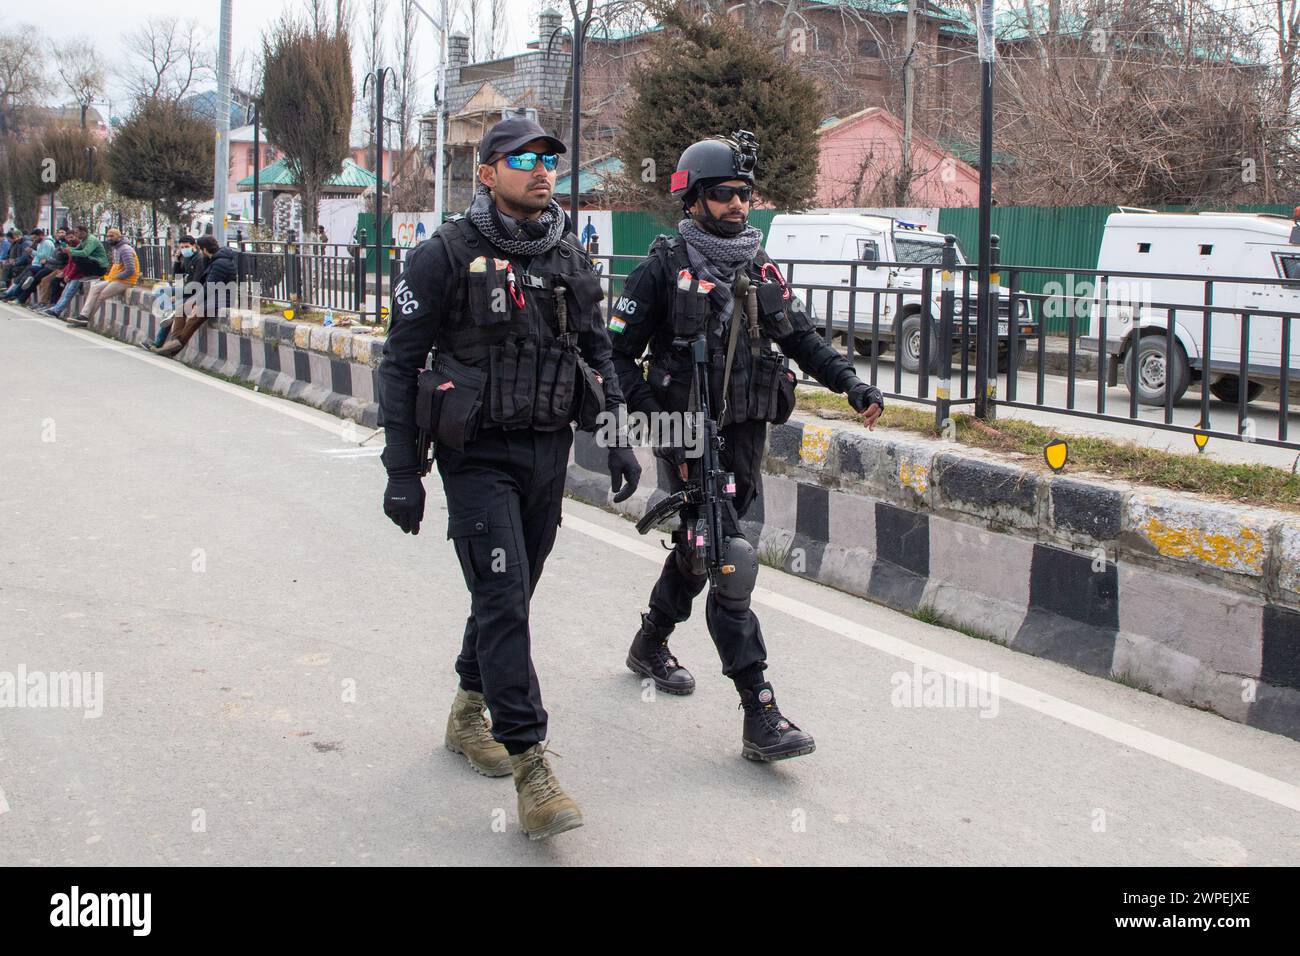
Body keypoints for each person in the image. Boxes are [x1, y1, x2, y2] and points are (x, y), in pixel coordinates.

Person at [377, 116, 640, 841]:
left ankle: (467, 711)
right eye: (522, 158)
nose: (542, 168)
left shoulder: (568, 256)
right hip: (477, 456)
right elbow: (400, 364)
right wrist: (404, 471)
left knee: (512, 591)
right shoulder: (444, 255)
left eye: (550, 158)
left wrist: (616, 439)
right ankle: (532, 766)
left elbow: (598, 353)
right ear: (486, 172)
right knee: (502, 596)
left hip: (547, 452)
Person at [608, 132, 884, 761]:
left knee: (700, 551)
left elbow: (801, 336)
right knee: (731, 558)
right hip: (687, 435)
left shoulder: (759, 267)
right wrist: (656, 420)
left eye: (745, 194)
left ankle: (649, 642)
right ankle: (760, 713)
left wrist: (852, 384)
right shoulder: (663, 266)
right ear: (694, 198)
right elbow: (614, 355)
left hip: (746, 437)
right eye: (725, 194)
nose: (739, 205)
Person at [154, 236, 235, 357]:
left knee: (193, 319)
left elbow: (209, 286)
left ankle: (174, 348)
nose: (200, 252)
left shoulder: (220, 263)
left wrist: (197, 303)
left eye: (200, 249)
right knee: (181, 309)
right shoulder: (212, 260)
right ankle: (174, 342)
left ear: (204, 249)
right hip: (210, 298)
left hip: (220, 299)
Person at [67, 228, 138, 328]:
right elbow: (117, 266)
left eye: (112, 236)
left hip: (125, 280)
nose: (109, 238)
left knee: (102, 295)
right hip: (115, 279)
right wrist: (112, 277)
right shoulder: (117, 248)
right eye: (108, 236)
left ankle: (86, 320)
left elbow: (130, 270)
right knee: (95, 288)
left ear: (119, 237)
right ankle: (83, 315)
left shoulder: (125, 249)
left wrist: (116, 277)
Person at [141, 235, 202, 352]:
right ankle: (168, 312)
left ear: (194, 246)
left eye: (187, 247)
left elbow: (196, 285)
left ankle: (158, 343)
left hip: (193, 292)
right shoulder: (186, 258)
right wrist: (177, 261)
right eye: (182, 247)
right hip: (185, 288)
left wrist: (178, 296)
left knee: (174, 309)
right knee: (159, 290)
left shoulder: (199, 259)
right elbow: (177, 277)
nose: (184, 249)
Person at [42, 226, 105, 320]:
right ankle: (55, 308)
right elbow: (70, 263)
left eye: (74, 235)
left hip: (83, 273)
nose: (71, 238)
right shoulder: (76, 245)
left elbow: (79, 261)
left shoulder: (84, 243)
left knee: (69, 293)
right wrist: (66, 273)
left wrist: (69, 274)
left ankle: (56, 311)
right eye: (69, 237)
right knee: (65, 291)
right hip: (75, 274)